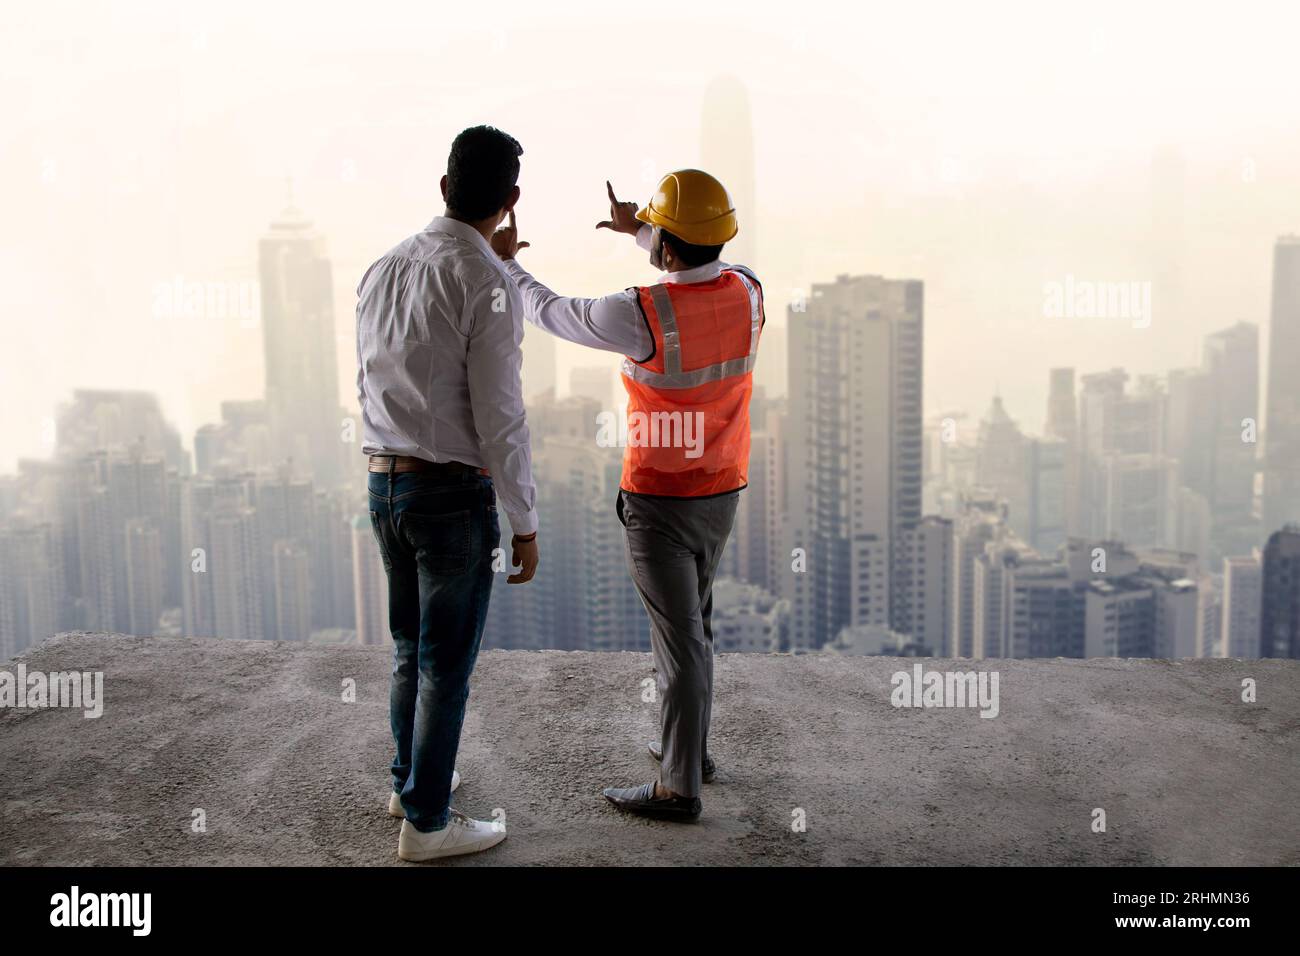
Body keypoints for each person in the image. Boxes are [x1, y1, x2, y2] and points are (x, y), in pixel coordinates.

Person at [490, 169, 763, 821]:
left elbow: (553, 312)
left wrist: (506, 266)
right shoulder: (749, 292)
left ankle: (679, 789)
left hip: (660, 503)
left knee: (679, 642)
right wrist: (643, 230)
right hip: (722, 489)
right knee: (695, 628)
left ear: (667, 248)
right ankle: (689, 755)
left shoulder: (641, 311)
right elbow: (693, 264)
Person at [356, 125, 540, 860]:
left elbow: (383, 374)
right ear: (511, 202)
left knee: (409, 652)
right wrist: (524, 521)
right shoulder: (488, 284)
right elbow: (501, 417)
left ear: (443, 187)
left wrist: (486, 262)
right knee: (446, 667)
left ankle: (409, 782)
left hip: (384, 484)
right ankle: (427, 824)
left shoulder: (384, 266)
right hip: (450, 499)